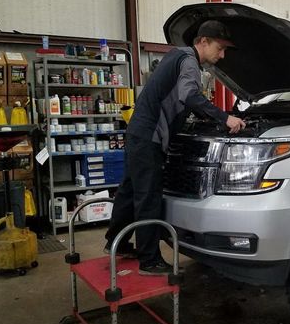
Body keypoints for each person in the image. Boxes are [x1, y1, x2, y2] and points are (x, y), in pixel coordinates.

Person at [104, 20, 246, 275]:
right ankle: (149, 261)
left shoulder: (176, 56)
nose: (222, 55)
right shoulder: (189, 61)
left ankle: (116, 242)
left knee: (130, 189)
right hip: (151, 136)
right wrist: (224, 118)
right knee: (148, 196)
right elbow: (189, 95)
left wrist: (203, 116)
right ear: (203, 41)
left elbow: (179, 99)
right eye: (220, 48)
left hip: (138, 132)